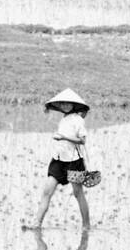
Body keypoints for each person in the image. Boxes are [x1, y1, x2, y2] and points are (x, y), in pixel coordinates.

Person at [29, 88, 91, 231]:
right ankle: (36, 223)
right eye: (62, 103)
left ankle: (86, 225)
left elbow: (82, 141)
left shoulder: (77, 120)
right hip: (58, 161)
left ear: (74, 105)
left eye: (68, 104)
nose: (65, 106)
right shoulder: (65, 118)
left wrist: (63, 137)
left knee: (78, 193)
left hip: (74, 162)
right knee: (47, 191)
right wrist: (47, 108)